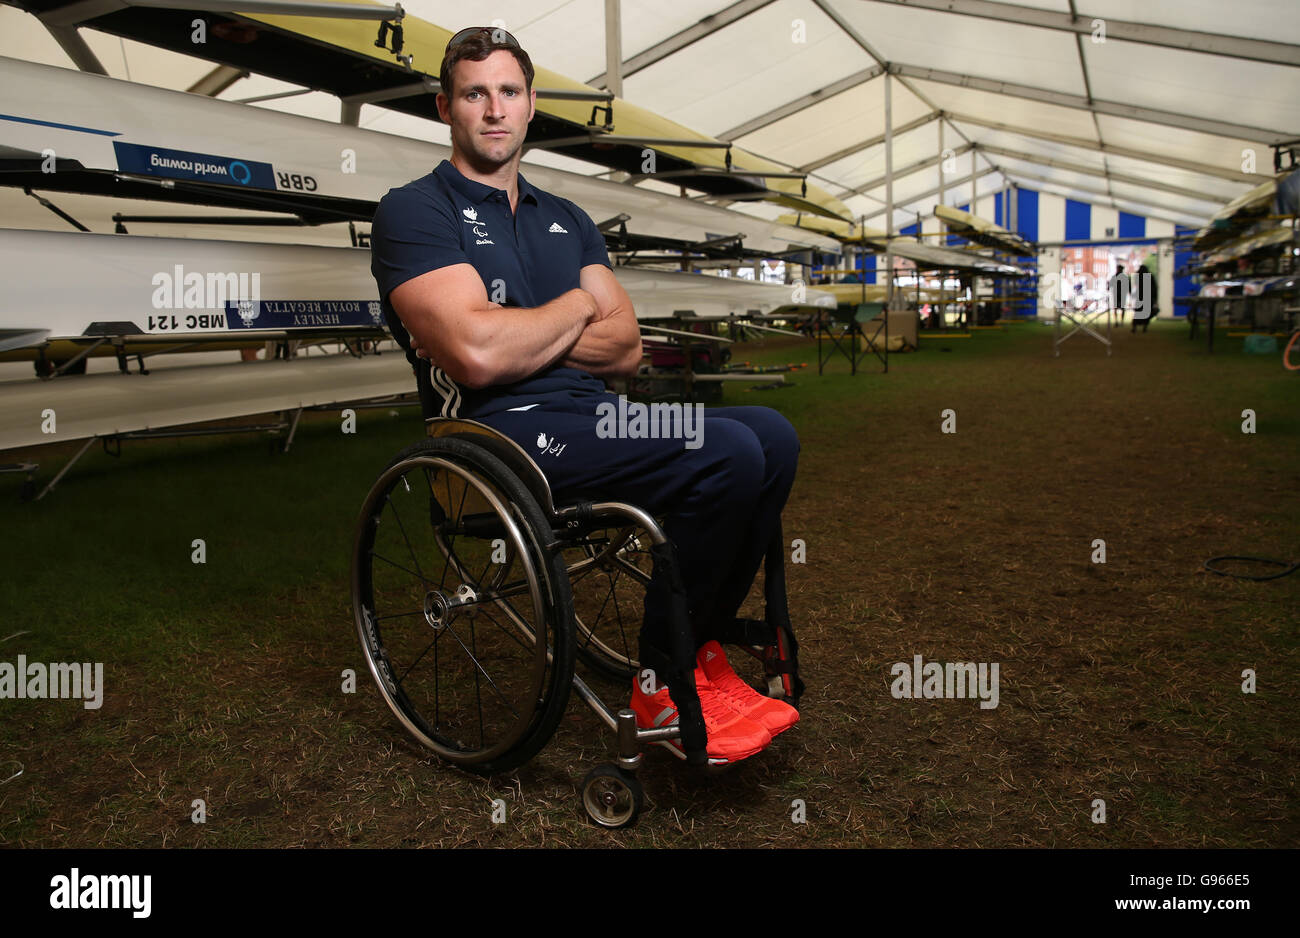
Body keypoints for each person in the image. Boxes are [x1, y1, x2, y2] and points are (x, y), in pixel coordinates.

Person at [368, 27, 799, 766]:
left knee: (769, 433)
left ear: (531, 105)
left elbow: (626, 349)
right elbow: (476, 356)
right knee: (724, 450)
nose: (494, 109)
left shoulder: (566, 217)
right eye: (475, 93)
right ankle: (664, 676)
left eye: (509, 92)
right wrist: (578, 304)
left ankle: (696, 650)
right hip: (498, 436)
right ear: (446, 107)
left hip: (597, 415)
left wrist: (518, 329)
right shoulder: (414, 211)